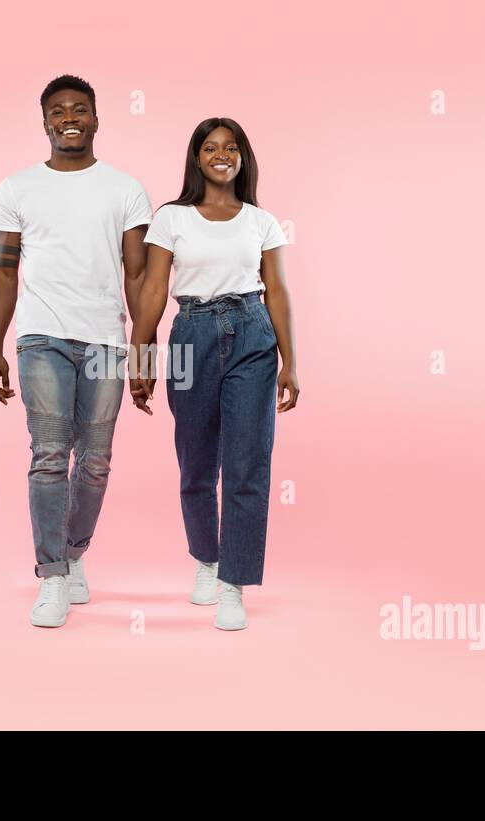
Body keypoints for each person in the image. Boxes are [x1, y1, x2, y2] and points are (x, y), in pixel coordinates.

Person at [0, 74, 152, 627]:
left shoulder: (126, 189)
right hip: (41, 337)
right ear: (46, 123)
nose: (69, 117)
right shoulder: (15, 189)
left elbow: (138, 276)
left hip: (105, 339)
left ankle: (75, 552)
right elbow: (4, 271)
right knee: (50, 456)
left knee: (97, 462)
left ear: (97, 119)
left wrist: (144, 354)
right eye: (58, 111)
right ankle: (52, 575)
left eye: (79, 108)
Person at [129, 117, 299, 631]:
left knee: (248, 462)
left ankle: (233, 583)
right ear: (196, 158)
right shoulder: (171, 218)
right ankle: (205, 559)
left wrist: (291, 360)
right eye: (209, 148)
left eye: (230, 147)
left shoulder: (261, 221)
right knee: (195, 460)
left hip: (252, 332)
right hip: (191, 334)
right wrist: (141, 360)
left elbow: (278, 291)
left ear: (242, 157)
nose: (220, 155)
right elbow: (154, 290)